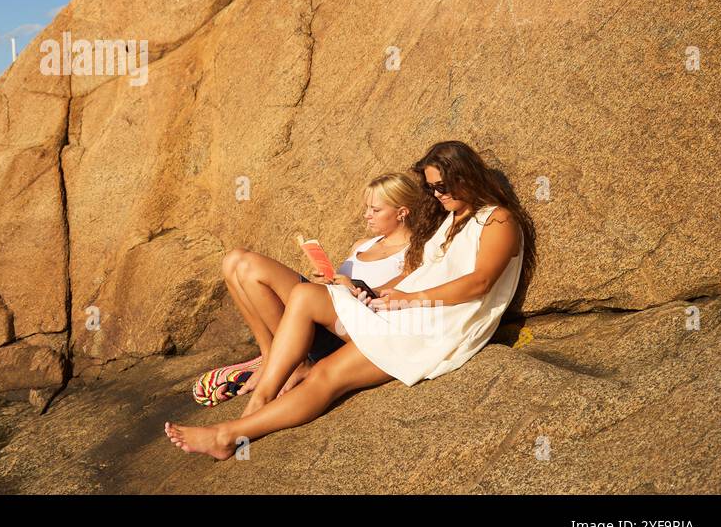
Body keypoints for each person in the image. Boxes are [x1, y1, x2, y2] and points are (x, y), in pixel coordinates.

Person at [167, 140, 536, 459]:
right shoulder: (452, 220)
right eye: (433, 189)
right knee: (308, 305)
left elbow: (480, 282)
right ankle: (258, 402)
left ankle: (228, 434)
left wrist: (410, 299)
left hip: (434, 328)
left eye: (442, 186)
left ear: (465, 176)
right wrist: (377, 292)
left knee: (324, 365)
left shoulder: (498, 220)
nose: (438, 195)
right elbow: (421, 272)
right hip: (408, 314)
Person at [194, 172, 429, 406]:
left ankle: (299, 363)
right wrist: (329, 281)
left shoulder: (413, 252)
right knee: (233, 260)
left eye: (375, 210)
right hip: (321, 315)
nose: (366, 215)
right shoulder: (362, 245)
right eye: (366, 207)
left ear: (402, 212)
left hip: (351, 332)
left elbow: (396, 297)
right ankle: (269, 355)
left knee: (250, 266)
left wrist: (352, 287)